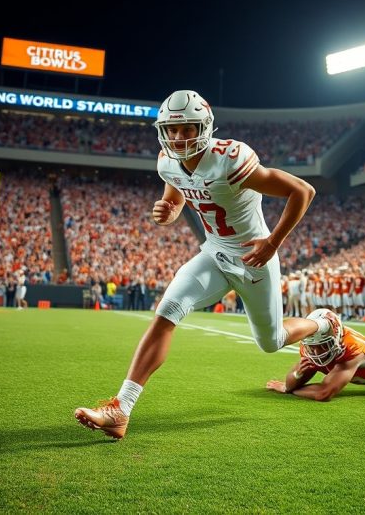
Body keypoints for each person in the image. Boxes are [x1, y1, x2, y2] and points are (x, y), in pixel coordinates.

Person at [75, 89, 318, 440]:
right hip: (214, 253)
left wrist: (273, 242)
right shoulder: (167, 161)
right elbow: (174, 195)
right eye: (172, 130)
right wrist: (168, 211)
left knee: (271, 340)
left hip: (253, 257)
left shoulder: (231, 159)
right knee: (166, 311)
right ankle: (121, 409)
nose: (178, 137)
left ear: (204, 127)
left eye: (187, 128)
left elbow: (302, 190)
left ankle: (322, 322)